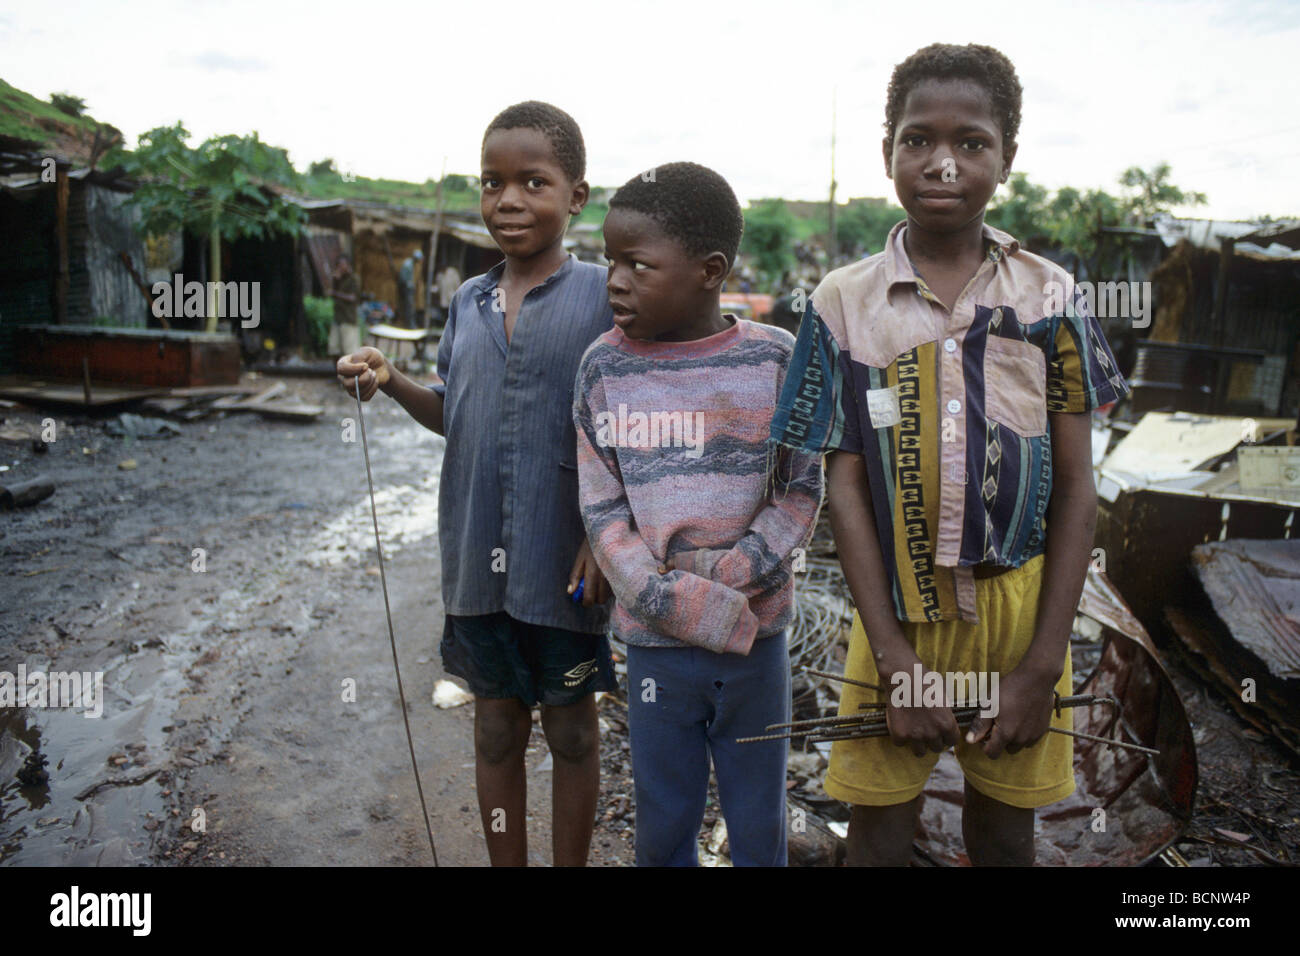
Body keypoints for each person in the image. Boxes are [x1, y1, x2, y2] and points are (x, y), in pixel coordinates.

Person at [769, 43, 1130, 866]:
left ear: (1008, 158)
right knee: (879, 827)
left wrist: (1043, 666)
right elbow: (846, 487)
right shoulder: (842, 303)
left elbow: (1078, 490)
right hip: (893, 617)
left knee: (1004, 828)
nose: (942, 162)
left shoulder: (1050, 298)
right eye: (917, 139)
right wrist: (895, 662)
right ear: (887, 151)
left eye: (971, 141)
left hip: (1020, 614)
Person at [337, 101, 615, 867]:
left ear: (577, 196)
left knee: (571, 729)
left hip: (566, 563)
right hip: (476, 557)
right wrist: (390, 379)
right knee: (495, 729)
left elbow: (628, 427)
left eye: (534, 181)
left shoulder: (603, 296)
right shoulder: (467, 300)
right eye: (492, 183)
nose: (509, 200)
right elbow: (455, 415)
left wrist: (603, 535)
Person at [574, 162, 824, 866]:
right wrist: (660, 596)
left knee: (757, 821)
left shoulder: (775, 362)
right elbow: (602, 502)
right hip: (655, 647)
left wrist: (733, 575)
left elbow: (800, 489)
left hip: (756, 643)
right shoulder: (603, 369)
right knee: (662, 821)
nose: (615, 280)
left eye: (637, 264)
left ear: (710, 270)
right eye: (609, 261)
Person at [328, 254, 360, 357]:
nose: (340, 267)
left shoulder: (354, 279)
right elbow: (333, 293)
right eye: (339, 265)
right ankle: (338, 372)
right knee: (334, 349)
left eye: (342, 265)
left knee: (349, 351)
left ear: (348, 265)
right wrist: (335, 281)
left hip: (348, 318)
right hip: (338, 317)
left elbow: (353, 297)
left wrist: (336, 293)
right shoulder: (339, 279)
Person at [397, 248, 422, 327]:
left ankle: (409, 324)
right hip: (406, 289)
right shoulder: (408, 265)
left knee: (409, 307)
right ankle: (410, 325)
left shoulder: (411, 264)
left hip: (408, 288)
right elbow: (403, 278)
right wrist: (409, 285)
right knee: (410, 307)